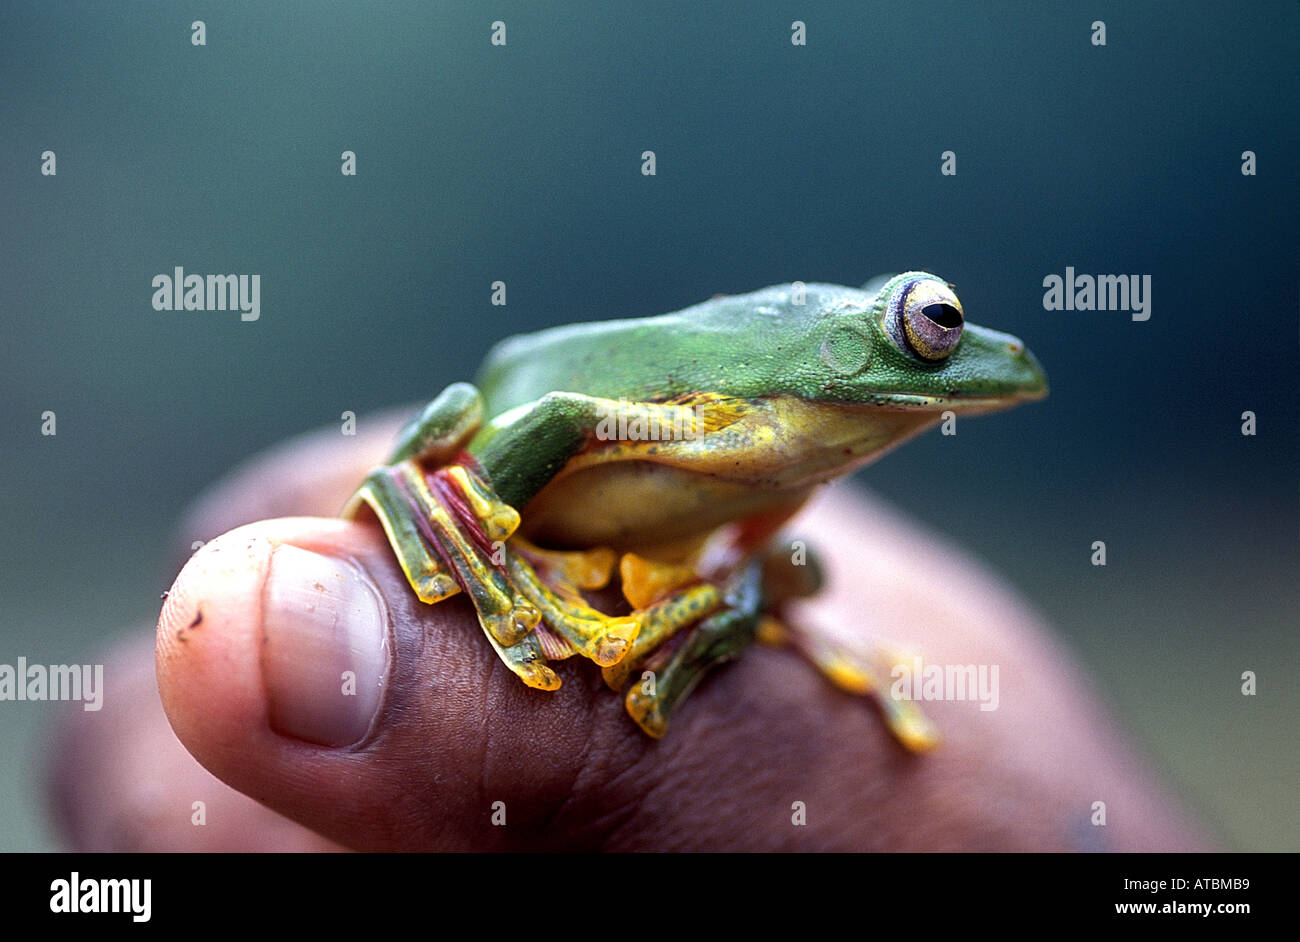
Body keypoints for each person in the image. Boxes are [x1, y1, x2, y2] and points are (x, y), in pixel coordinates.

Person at [48, 409, 1211, 851]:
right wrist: (487, 546)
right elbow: (547, 414)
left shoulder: (778, 495)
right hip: (500, 486)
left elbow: (790, 561)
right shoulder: (711, 409)